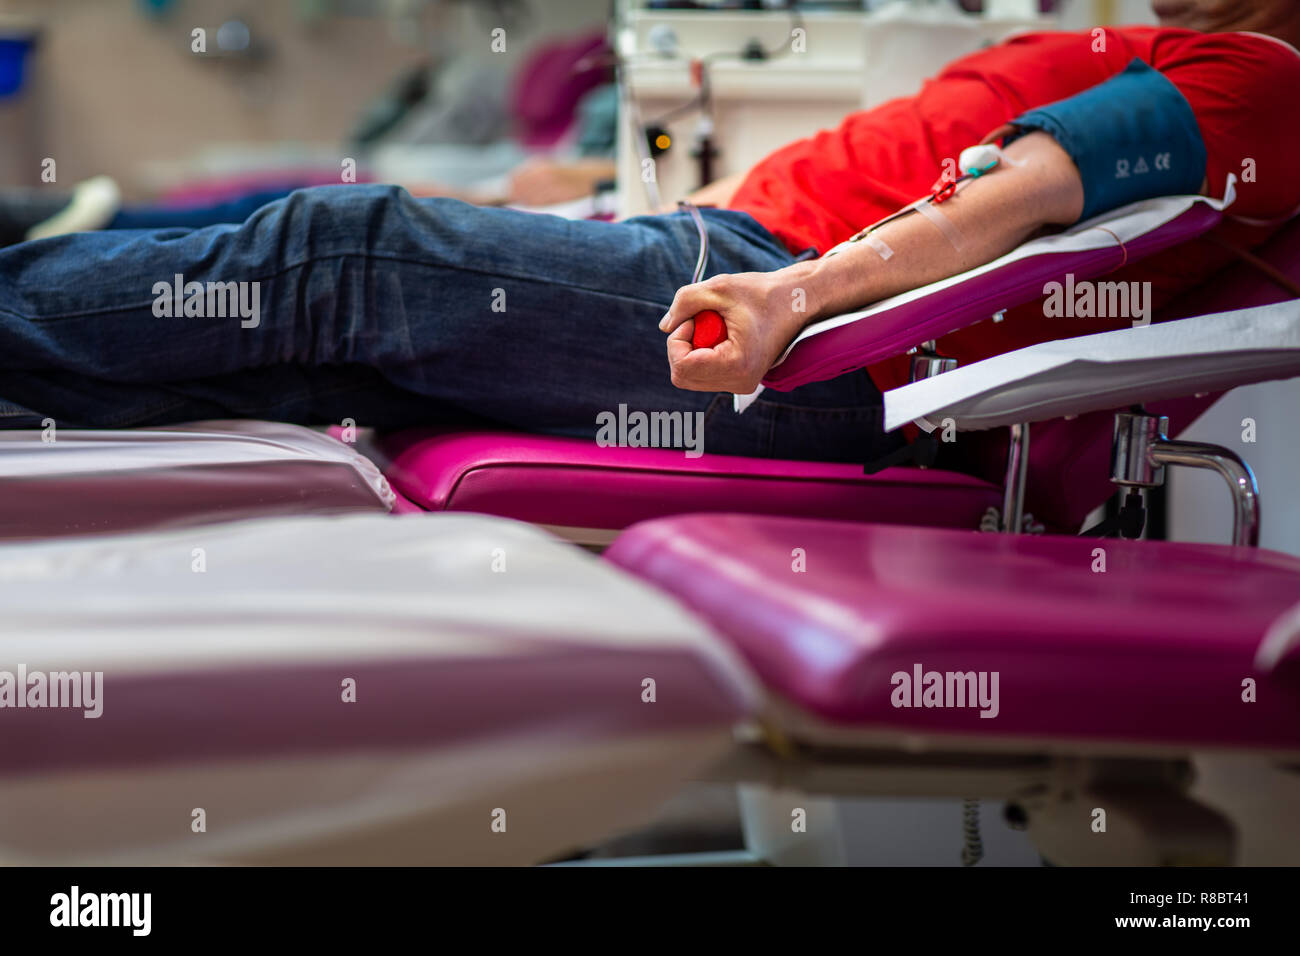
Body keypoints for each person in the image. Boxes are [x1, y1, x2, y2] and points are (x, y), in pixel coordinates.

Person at [0, 1, 1297, 467]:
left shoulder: (1266, 76)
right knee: (308, 356)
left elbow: (1027, 192)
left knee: (342, 253)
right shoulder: (1177, 49)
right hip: (733, 255)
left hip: (792, 325)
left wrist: (797, 296)